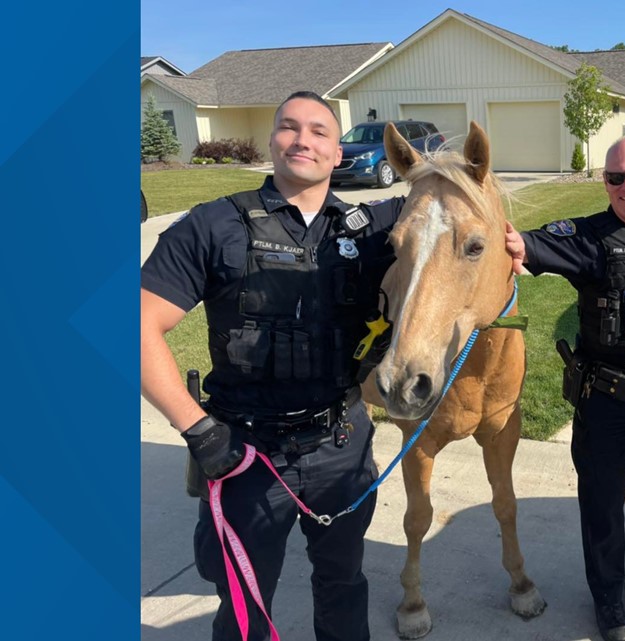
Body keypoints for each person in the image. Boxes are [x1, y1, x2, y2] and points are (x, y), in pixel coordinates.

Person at [141, 91, 403, 641]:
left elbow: (456, 209)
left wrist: (511, 243)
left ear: (338, 154)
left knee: (344, 585)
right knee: (243, 604)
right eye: (289, 127)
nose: (303, 139)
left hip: (341, 445)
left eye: (319, 132)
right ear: (272, 141)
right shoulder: (213, 227)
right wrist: (199, 432)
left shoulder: (369, 229)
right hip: (245, 452)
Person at [505, 137, 625, 641]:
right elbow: (524, 244)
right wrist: (502, 240)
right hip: (605, 402)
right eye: (615, 178)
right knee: (604, 507)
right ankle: (610, 598)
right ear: (605, 182)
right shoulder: (588, 237)